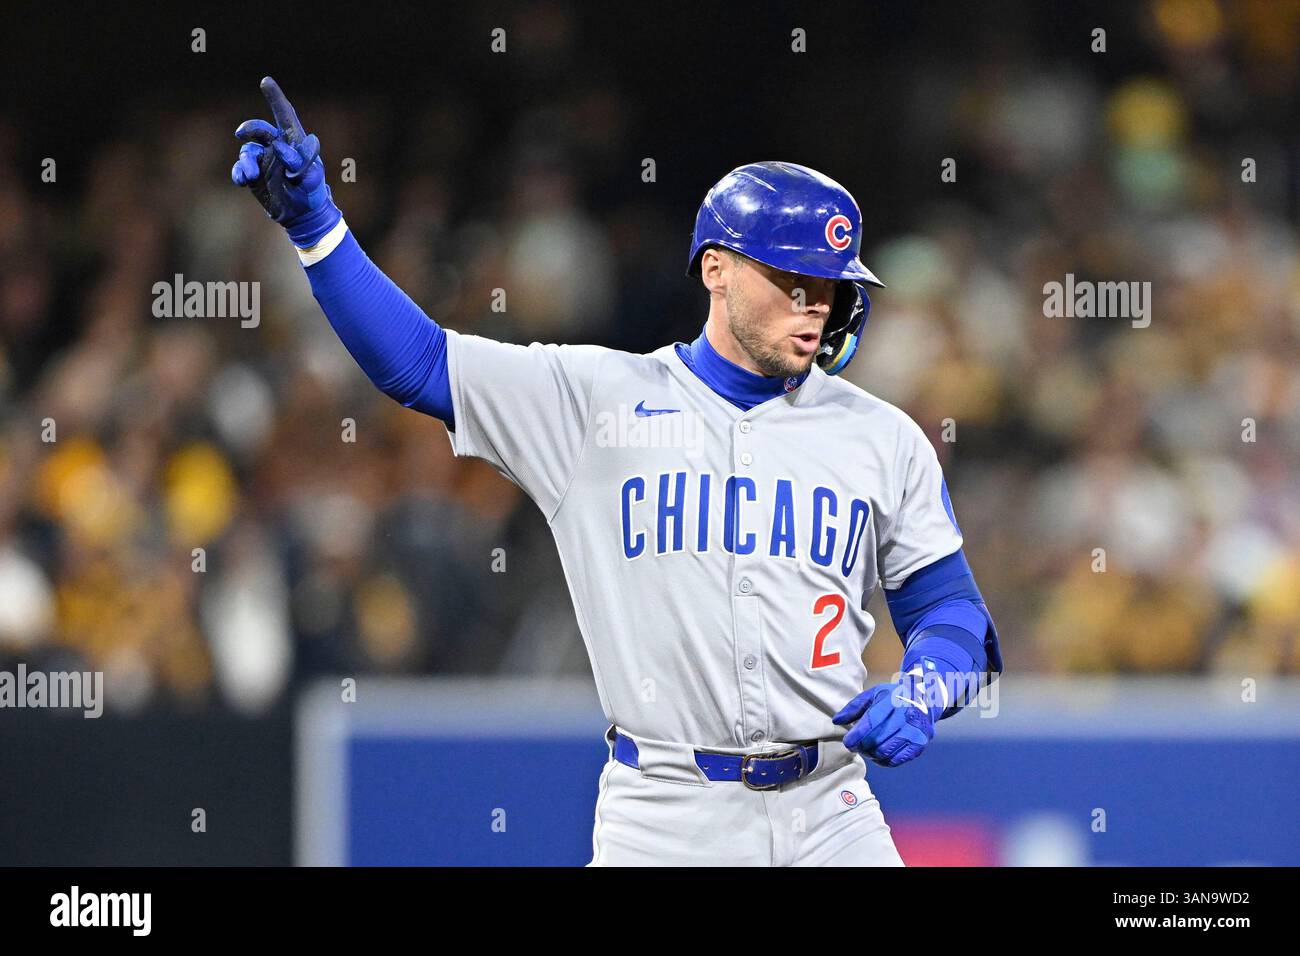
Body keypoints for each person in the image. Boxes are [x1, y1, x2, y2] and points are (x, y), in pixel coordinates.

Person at [232, 78, 1003, 866]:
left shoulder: (882, 436)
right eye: (790, 279)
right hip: (663, 816)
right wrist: (318, 229)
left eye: (830, 285)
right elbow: (421, 363)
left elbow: (954, 616)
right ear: (717, 269)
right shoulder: (595, 400)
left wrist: (926, 686)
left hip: (832, 809)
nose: (815, 305)